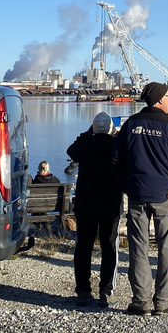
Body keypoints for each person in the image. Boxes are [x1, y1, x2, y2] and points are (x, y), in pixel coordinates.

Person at [113, 82, 168, 317]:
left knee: (138, 248)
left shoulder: (130, 124)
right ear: (159, 100)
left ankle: (141, 302)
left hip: (137, 194)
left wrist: (126, 186)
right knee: (167, 249)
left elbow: (116, 160)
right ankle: (163, 303)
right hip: (165, 195)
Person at [67, 112, 124, 308]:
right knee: (109, 247)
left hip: (86, 203)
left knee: (84, 246)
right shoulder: (116, 145)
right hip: (111, 203)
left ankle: (83, 290)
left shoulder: (85, 145)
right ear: (110, 128)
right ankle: (106, 291)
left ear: (93, 128)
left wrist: (87, 134)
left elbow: (71, 150)